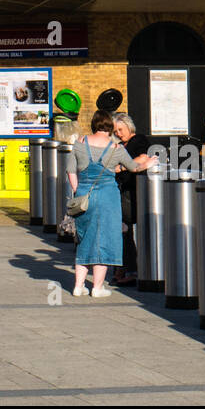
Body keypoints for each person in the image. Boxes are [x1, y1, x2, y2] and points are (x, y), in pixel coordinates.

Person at [67, 109, 153, 297]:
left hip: (84, 195)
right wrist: (148, 164)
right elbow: (134, 167)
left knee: (84, 239)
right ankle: (97, 288)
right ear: (110, 127)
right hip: (108, 197)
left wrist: (77, 191)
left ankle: (78, 286)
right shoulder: (116, 149)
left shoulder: (80, 144)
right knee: (104, 240)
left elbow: (70, 170)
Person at [111, 112, 151, 287]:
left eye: (120, 129)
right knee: (121, 230)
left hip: (133, 190)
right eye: (116, 131)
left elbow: (143, 158)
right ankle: (122, 268)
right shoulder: (119, 145)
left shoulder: (138, 140)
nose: (118, 133)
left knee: (124, 229)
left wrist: (120, 168)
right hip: (121, 190)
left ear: (129, 126)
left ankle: (130, 270)